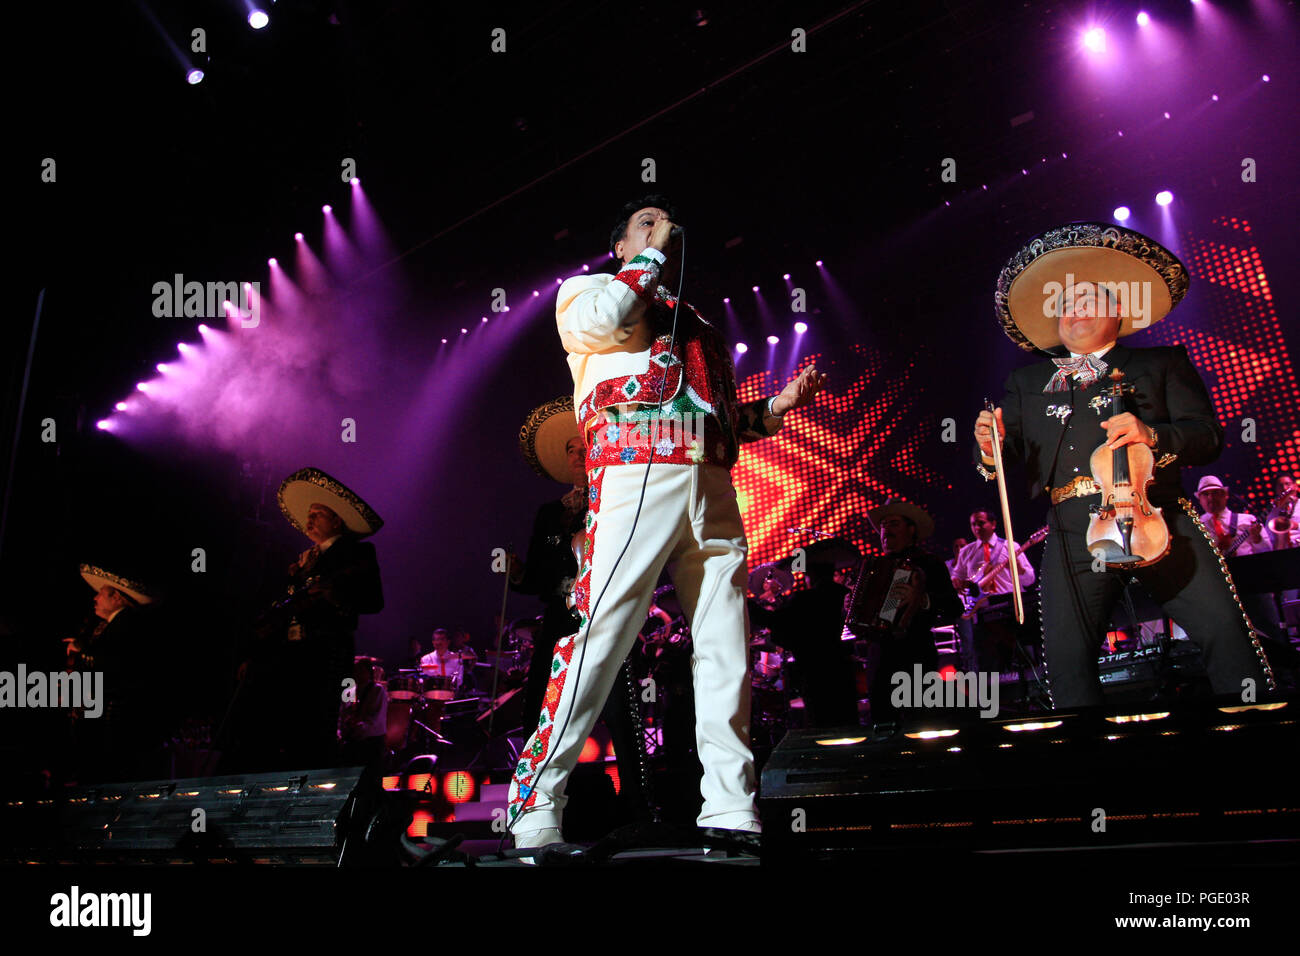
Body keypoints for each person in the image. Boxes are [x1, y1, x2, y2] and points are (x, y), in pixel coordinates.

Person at [508, 194, 826, 851]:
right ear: (620, 245)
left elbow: (720, 415)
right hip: (636, 470)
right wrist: (650, 255)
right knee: (601, 636)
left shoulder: (699, 322)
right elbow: (607, 321)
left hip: (710, 482)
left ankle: (731, 805)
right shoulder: (589, 292)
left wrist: (780, 406)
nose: (663, 231)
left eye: (666, 225)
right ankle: (534, 800)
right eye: (644, 225)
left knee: (724, 648)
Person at [974, 222, 1273, 708]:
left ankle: (1261, 737)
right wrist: (990, 446)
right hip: (1072, 530)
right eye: (1067, 305)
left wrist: (1153, 435)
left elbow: (1207, 437)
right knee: (1067, 662)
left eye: (1089, 300)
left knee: (1225, 633)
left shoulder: (1162, 363)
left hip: (1160, 515)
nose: (1076, 311)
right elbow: (1005, 464)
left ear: (1116, 310)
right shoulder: (1027, 382)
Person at [511, 396, 650, 826]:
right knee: (539, 708)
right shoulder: (549, 513)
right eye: (570, 450)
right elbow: (537, 579)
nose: (577, 456)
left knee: (620, 715)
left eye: (583, 447)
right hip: (558, 620)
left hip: (607, 617)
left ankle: (637, 812)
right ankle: (542, 805)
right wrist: (518, 574)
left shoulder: (618, 499)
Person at [244, 467, 384, 768]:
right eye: (308, 514)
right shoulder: (305, 559)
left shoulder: (358, 553)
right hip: (291, 654)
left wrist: (334, 595)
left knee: (317, 724)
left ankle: (317, 788)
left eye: (317, 514)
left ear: (336, 520)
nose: (308, 520)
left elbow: (374, 601)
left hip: (326, 651)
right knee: (286, 725)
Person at [857, 502, 963, 722]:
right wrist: (853, 605)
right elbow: (863, 618)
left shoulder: (929, 563)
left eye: (894, 524)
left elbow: (954, 607)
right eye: (883, 526)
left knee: (919, 722)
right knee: (883, 724)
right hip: (879, 658)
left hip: (915, 653)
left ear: (911, 529)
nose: (886, 530)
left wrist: (922, 600)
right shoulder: (874, 566)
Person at [68, 565, 164, 781]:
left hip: (113, 711)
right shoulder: (112, 625)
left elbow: (114, 662)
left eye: (101, 594)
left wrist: (83, 650)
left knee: (105, 767)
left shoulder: (126, 624)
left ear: (117, 598)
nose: (95, 599)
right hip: (104, 707)